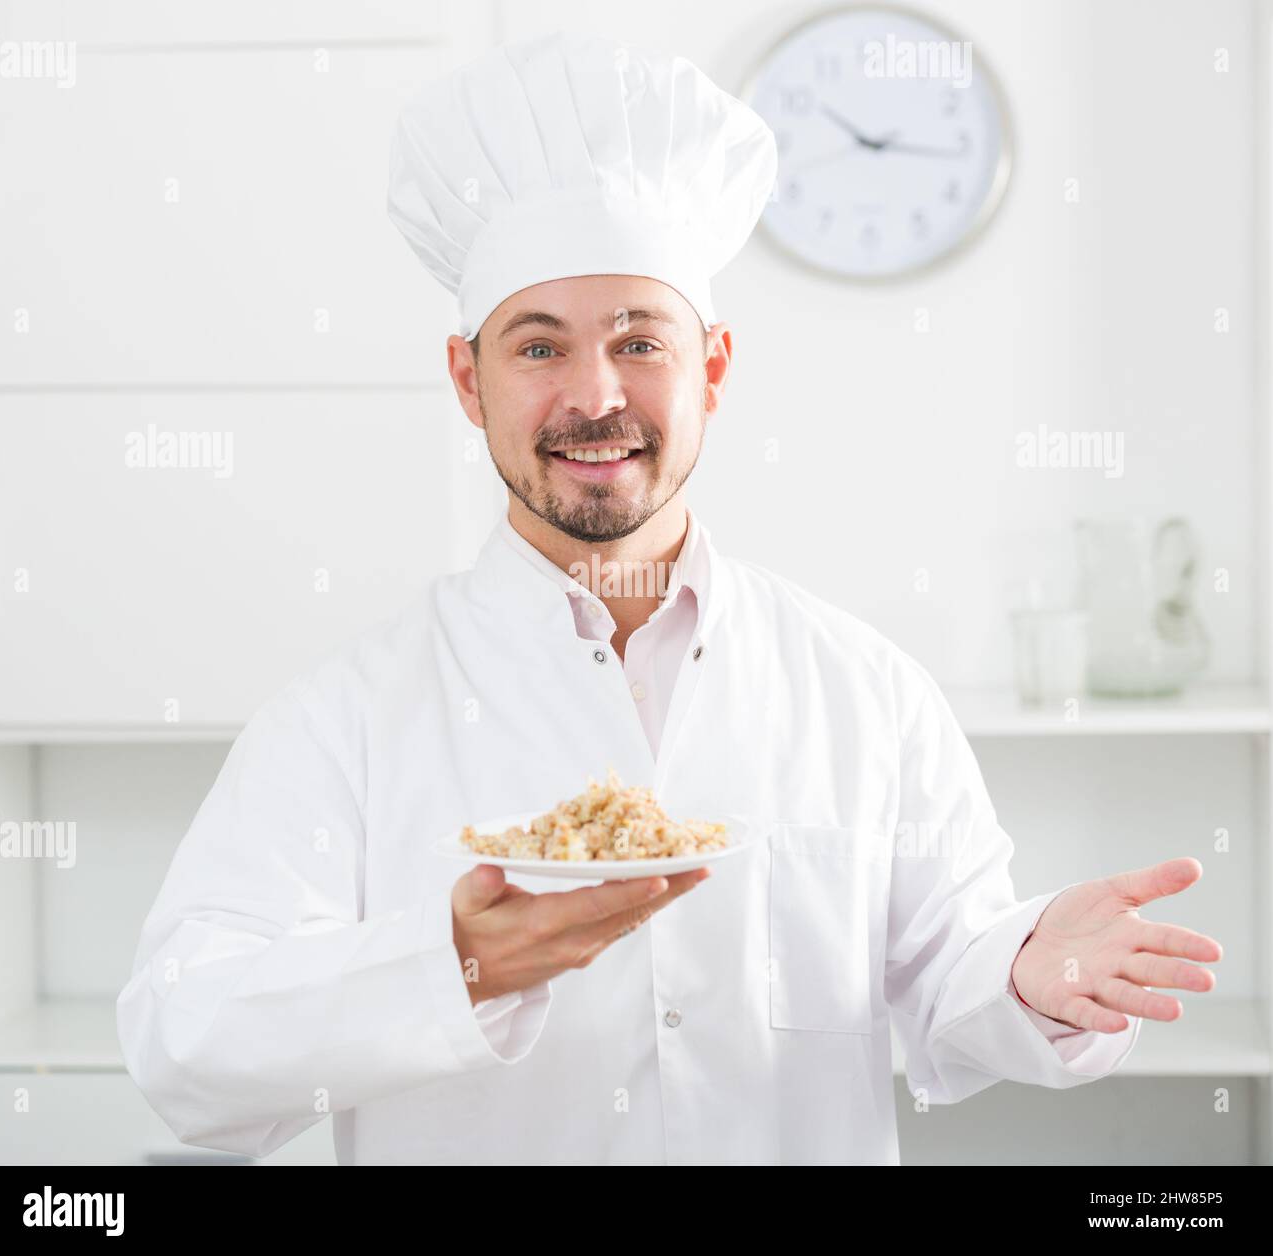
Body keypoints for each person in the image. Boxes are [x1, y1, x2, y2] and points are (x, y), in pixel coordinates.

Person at [117, 30, 1221, 1166]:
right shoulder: (344, 716)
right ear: (467, 379)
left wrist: (1032, 970)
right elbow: (181, 1047)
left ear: (713, 367)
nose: (594, 396)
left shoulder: (863, 688)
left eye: (639, 340)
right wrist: (455, 964)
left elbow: (954, 977)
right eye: (537, 347)